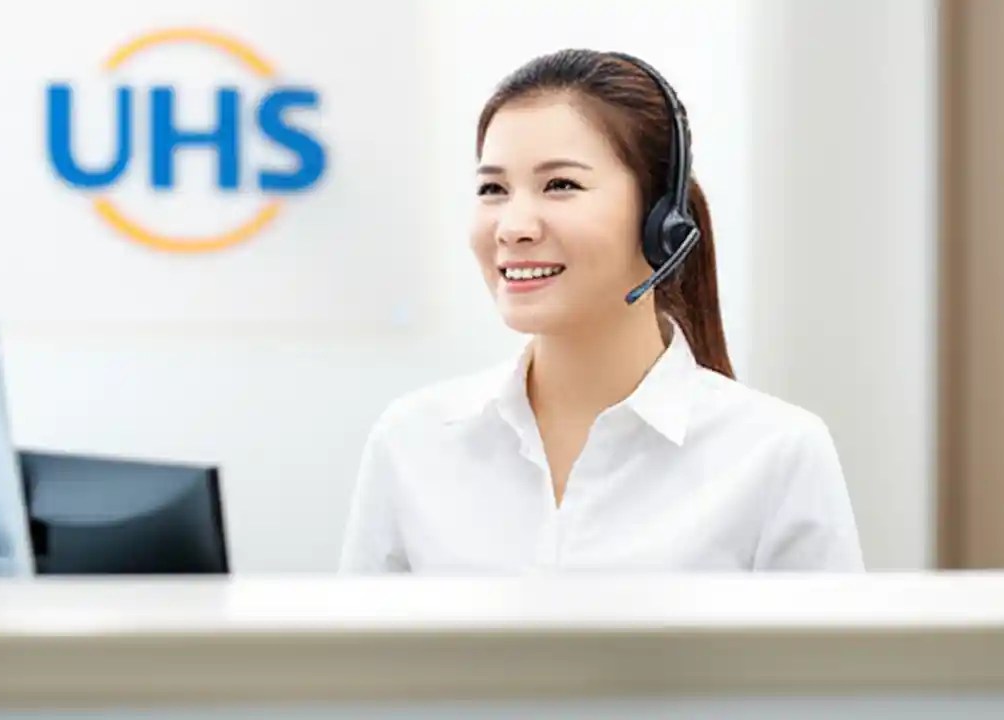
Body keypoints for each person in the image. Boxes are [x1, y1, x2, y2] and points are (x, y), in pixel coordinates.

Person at [339, 49, 863, 573]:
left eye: (560, 185)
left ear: (662, 221)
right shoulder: (412, 442)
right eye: (493, 189)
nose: (513, 226)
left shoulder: (775, 452)